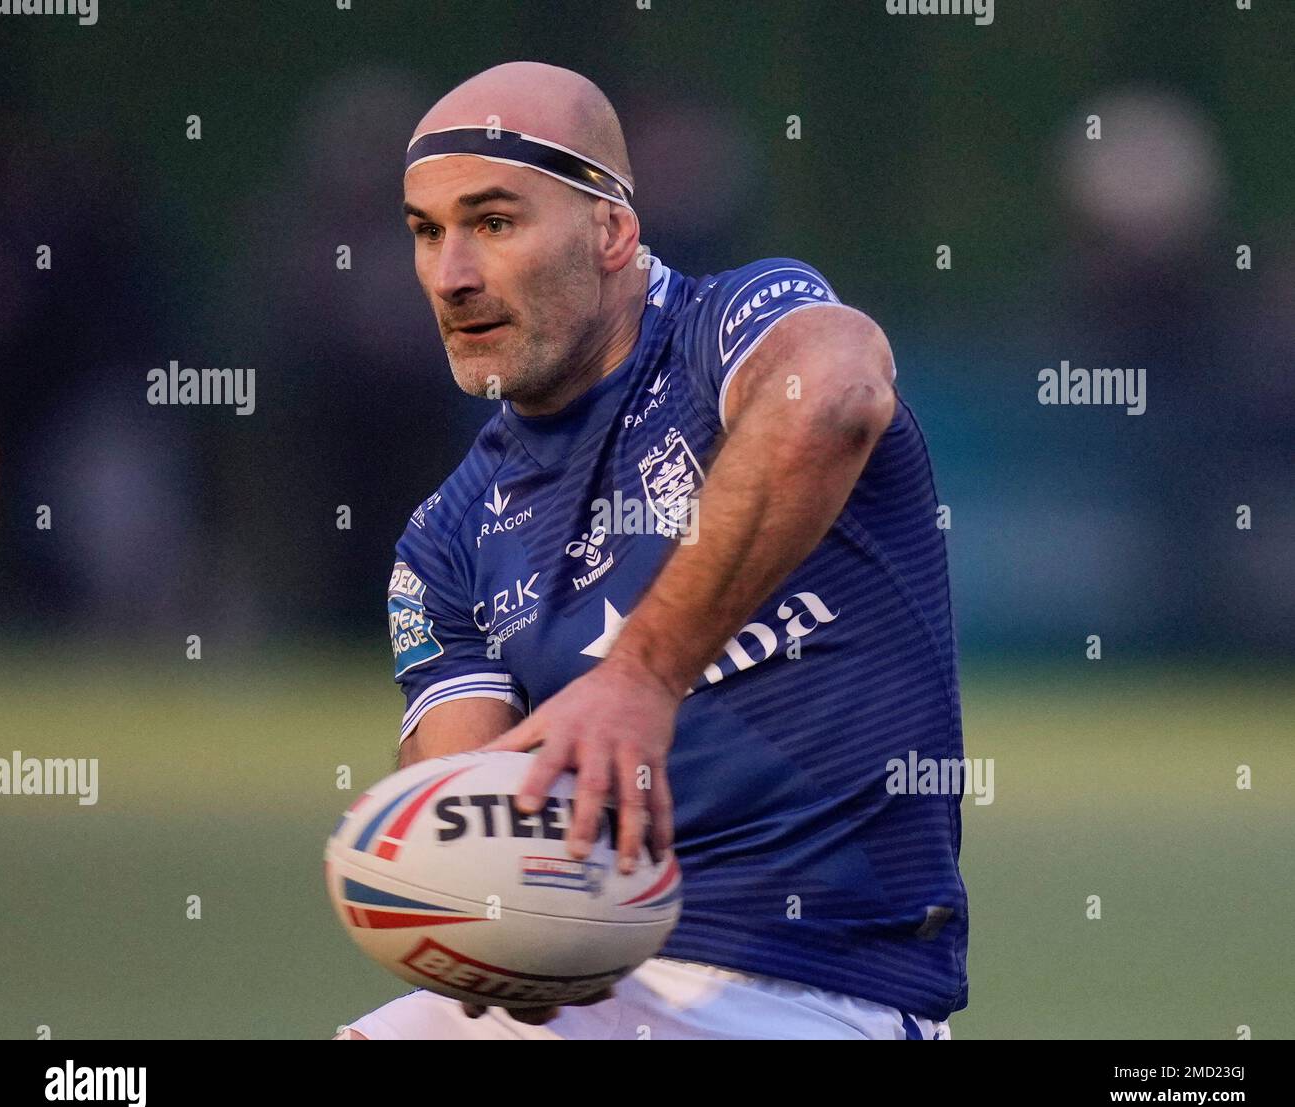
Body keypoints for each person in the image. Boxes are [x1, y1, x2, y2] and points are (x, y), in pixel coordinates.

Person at [338, 61, 965, 1040]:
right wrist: (479, 917)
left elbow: (838, 396)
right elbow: (462, 810)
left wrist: (642, 673)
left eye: (493, 222)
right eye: (427, 232)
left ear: (611, 230)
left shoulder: (732, 333)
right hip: (598, 986)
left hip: (807, 993)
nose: (451, 274)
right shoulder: (444, 540)